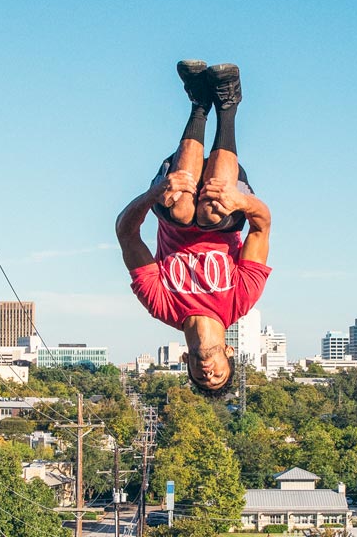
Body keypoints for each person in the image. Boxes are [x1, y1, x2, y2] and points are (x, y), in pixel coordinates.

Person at [115, 61, 271, 397]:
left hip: (173, 190)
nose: (208, 373)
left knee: (185, 210)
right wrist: (241, 202)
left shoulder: (162, 305)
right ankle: (228, 106)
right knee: (210, 213)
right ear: (230, 354)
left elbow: (126, 234)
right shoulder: (240, 300)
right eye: (217, 376)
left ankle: (199, 103)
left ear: (185, 361)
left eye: (200, 378)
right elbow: (261, 228)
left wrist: (152, 195)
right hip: (225, 194)